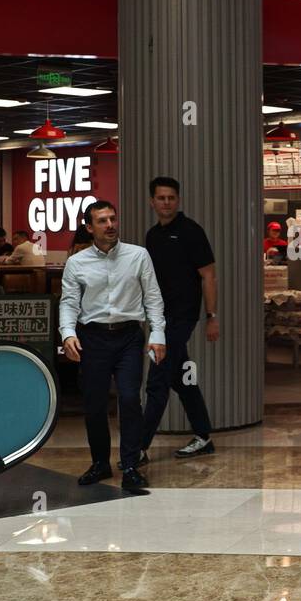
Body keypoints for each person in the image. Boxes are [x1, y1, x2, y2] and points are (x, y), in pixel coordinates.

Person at [59, 200, 166, 496]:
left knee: (131, 399)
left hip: (129, 336)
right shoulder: (76, 263)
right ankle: (99, 462)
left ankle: (130, 465)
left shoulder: (138, 256)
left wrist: (158, 334)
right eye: (102, 221)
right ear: (89, 227)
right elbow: (69, 302)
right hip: (92, 338)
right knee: (94, 403)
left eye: (113, 219)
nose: (110, 225)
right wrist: (67, 333)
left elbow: (153, 298)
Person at [141, 176, 218, 462]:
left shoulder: (191, 231)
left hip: (183, 317)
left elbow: (208, 275)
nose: (166, 202)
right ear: (152, 202)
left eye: (171, 198)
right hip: (161, 317)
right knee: (182, 378)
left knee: (157, 379)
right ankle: (203, 436)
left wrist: (212, 316)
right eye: (161, 198)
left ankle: (138, 447)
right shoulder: (152, 236)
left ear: (178, 200)